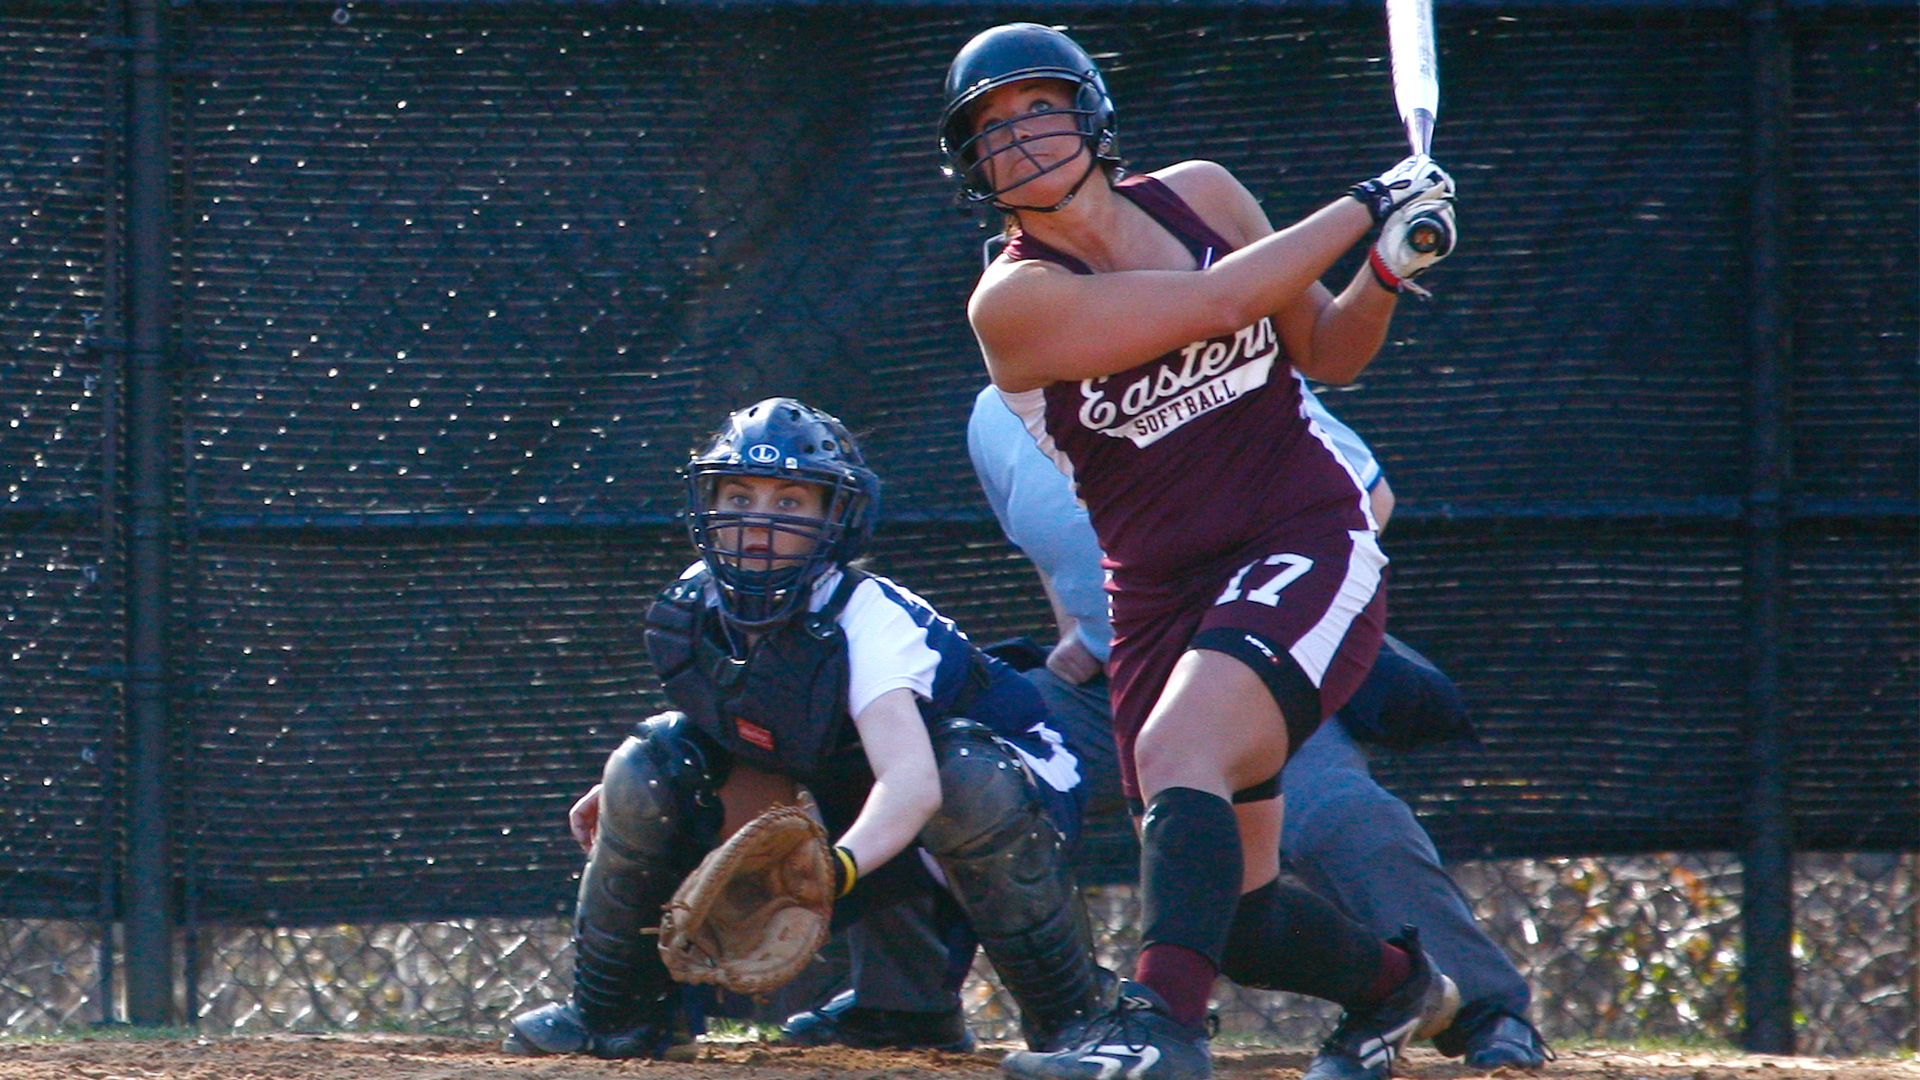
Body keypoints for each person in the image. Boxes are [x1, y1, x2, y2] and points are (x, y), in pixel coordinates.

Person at [938, 22, 1464, 1080]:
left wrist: (1386, 270)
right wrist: (1372, 204)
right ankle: (1402, 990)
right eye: (991, 128)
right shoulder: (1013, 299)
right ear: (972, 167)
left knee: (1184, 754)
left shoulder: (1205, 198)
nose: (1020, 137)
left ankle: (1157, 1034)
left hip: (1299, 533)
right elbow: (1221, 302)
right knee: (1237, 909)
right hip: (1159, 593)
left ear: (1090, 112)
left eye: (1038, 107)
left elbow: (1327, 351)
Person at [502, 397, 1112, 1059]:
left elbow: (912, 786)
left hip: (1013, 790)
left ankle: (1073, 1021)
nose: (756, 522)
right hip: (867, 790)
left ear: (835, 517)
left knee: (967, 778)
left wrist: (834, 869)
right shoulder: (696, 597)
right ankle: (614, 1016)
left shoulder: (864, 616)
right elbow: (729, 726)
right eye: (737, 496)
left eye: (789, 503)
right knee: (648, 763)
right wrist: (632, 791)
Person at [968, 383, 1550, 1071]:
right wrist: (1082, 632)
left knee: (1339, 819)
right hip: (1120, 676)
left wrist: (1254, 626)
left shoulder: (1210, 359)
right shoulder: (994, 414)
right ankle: (918, 1005)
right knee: (963, 769)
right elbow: (1055, 549)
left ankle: (1484, 1011)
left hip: (1245, 661)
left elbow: (1366, 500)